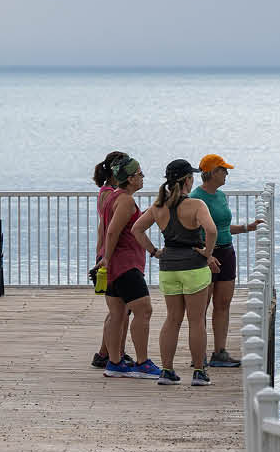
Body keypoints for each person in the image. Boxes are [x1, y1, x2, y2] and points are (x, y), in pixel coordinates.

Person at [132, 159, 220, 386]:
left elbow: (137, 229)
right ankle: (199, 371)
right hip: (193, 268)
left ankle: (167, 371)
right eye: (192, 177)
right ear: (188, 180)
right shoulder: (197, 205)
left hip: (168, 267)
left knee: (172, 319)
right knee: (196, 320)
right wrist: (207, 254)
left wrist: (154, 251)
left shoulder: (158, 206)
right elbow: (211, 230)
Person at [90, 153, 161, 380]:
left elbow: (106, 228)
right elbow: (112, 230)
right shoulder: (125, 200)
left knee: (118, 313)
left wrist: (103, 258)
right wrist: (107, 259)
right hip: (124, 264)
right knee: (143, 310)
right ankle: (142, 362)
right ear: (130, 178)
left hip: (115, 264)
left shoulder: (112, 197)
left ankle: (114, 363)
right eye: (140, 174)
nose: (143, 177)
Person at [190, 154, 265, 368]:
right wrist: (207, 255)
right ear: (213, 173)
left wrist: (245, 228)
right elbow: (193, 233)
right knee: (202, 306)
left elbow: (221, 228)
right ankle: (199, 353)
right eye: (223, 170)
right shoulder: (196, 198)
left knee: (223, 304)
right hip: (206, 255)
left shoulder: (221, 196)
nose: (227, 174)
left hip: (226, 252)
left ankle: (220, 352)